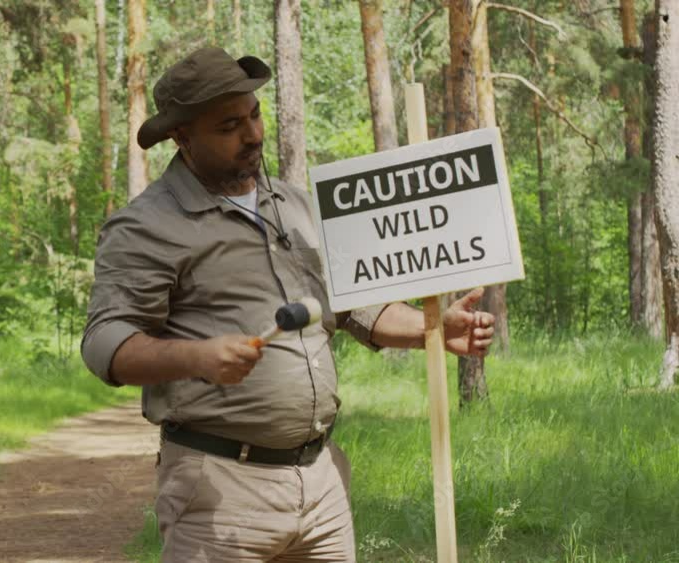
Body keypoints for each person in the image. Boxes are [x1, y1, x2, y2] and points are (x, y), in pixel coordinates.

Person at [80, 47, 495, 562]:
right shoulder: (146, 226)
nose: (253, 134)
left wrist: (432, 329)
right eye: (229, 125)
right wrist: (198, 357)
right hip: (219, 490)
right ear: (182, 138)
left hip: (321, 486)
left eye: (254, 114)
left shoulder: (297, 205)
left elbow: (353, 305)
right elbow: (104, 342)